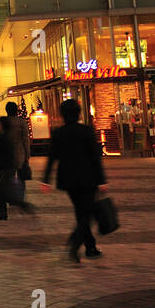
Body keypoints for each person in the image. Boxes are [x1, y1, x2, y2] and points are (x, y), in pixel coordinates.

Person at [42, 98, 106, 262]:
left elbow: (52, 157)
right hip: (88, 178)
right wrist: (101, 180)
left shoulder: (58, 133)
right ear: (78, 113)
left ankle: (89, 246)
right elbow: (95, 157)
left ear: (62, 115)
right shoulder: (86, 131)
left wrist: (46, 179)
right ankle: (77, 242)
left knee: (80, 212)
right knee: (88, 212)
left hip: (68, 180)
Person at [0, 105, 35, 220]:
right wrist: (27, 155)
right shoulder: (21, 122)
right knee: (21, 179)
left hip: (7, 157)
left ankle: (14, 203)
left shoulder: (5, 122)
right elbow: (26, 140)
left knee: (4, 182)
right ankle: (19, 199)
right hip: (20, 154)